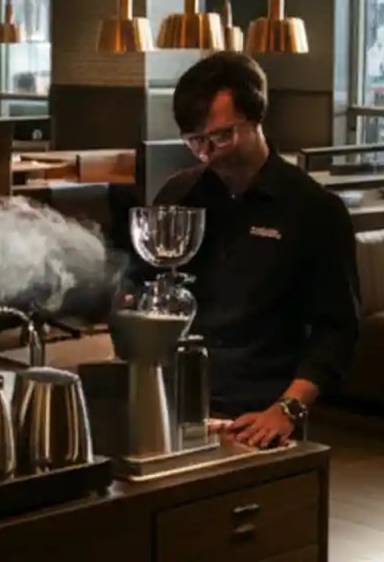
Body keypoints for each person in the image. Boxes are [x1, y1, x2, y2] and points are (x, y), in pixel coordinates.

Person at [151, 52, 360, 448]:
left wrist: (288, 409)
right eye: (195, 141)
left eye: (222, 136)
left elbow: (338, 330)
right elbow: (143, 287)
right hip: (173, 402)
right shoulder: (178, 195)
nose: (207, 153)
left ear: (257, 118)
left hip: (261, 413)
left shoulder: (315, 209)